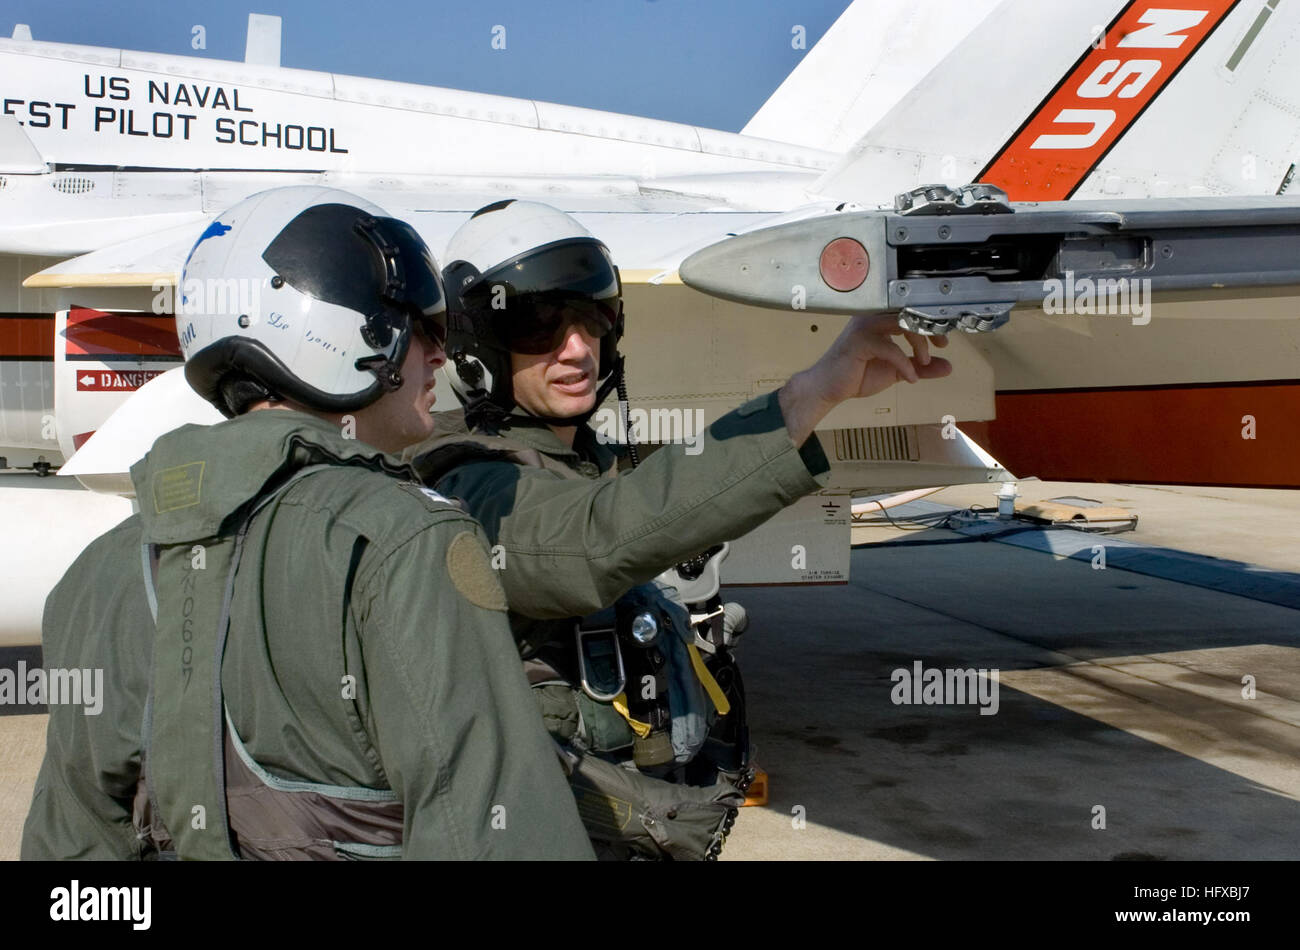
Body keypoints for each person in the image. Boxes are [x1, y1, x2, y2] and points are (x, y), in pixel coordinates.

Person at [21, 187, 594, 861]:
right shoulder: (405, 543)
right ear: (342, 329)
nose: (439, 354)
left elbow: (73, 852)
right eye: (421, 328)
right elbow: (498, 835)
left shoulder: (100, 570)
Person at [404, 199, 950, 859]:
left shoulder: (586, 464)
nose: (578, 348)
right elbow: (591, 543)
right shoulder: (469, 483)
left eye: (593, 317)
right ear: (479, 343)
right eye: (541, 324)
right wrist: (810, 393)